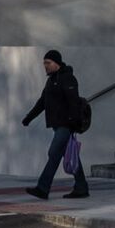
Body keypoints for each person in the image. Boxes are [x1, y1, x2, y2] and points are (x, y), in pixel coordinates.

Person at [22, 48, 90, 200]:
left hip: (66, 125)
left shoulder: (68, 78)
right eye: (44, 63)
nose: (45, 66)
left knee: (54, 153)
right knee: (71, 156)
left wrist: (73, 123)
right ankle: (81, 187)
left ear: (57, 63)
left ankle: (43, 188)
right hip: (57, 125)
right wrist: (29, 117)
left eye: (48, 63)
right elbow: (42, 102)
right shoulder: (51, 81)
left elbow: (73, 102)